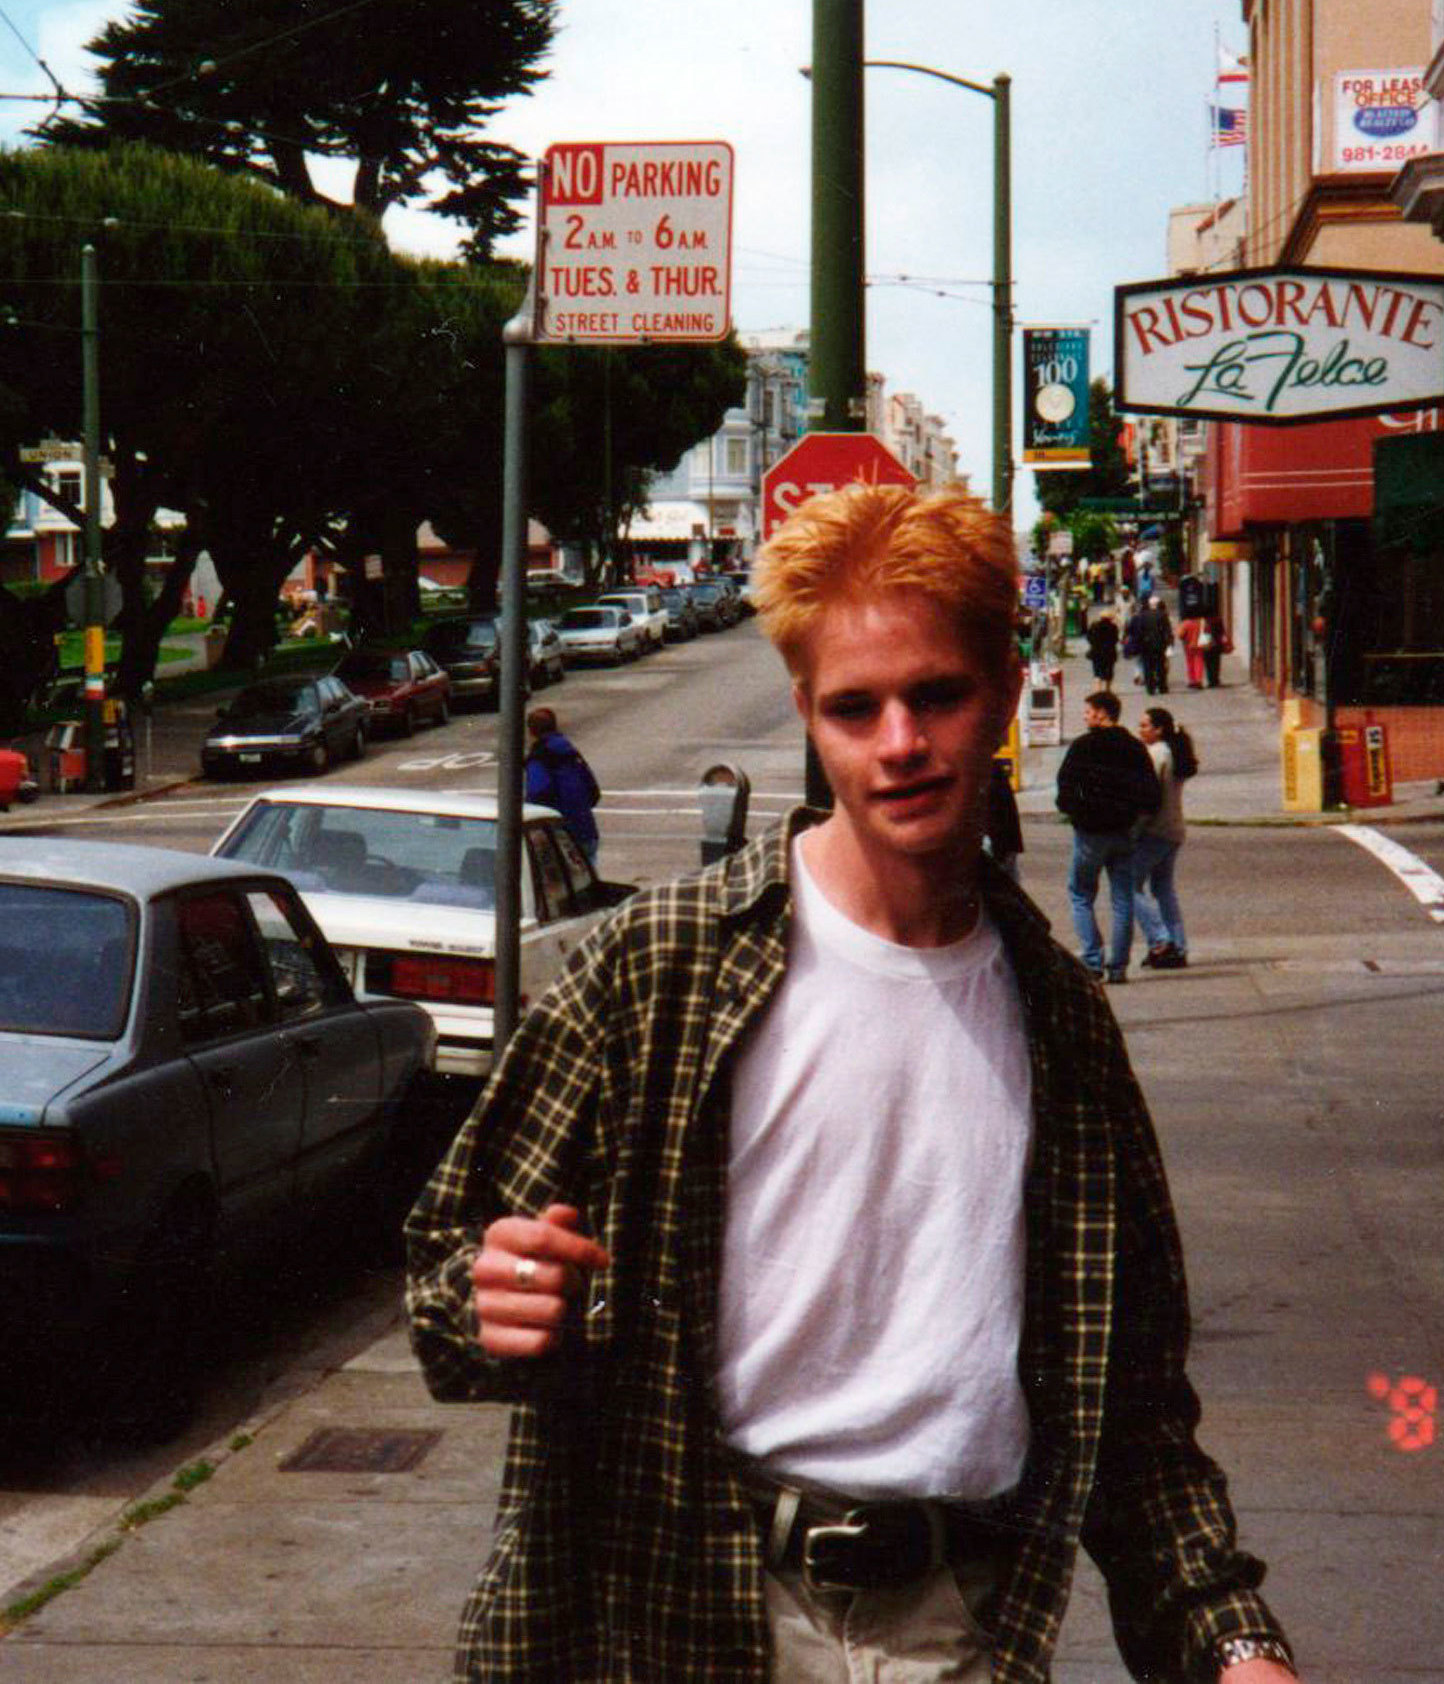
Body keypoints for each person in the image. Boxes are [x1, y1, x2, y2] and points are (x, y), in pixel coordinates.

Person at [405, 486, 1296, 1684]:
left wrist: (1233, 1644)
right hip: (675, 1613)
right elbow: (446, 1257)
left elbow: (1134, 1413)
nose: (898, 744)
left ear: (1001, 681)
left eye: (935, 694)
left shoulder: (1063, 1024)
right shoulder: (660, 969)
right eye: (854, 706)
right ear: (804, 715)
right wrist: (489, 1295)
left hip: (954, 1627)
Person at [1055, 690, 1163, 983]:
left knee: (1080, 893)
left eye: (1088, 711)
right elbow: (1152, 795)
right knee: (1123, 899)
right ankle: (1118, 966)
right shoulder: (1134, 748)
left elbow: (1065, 790)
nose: (1084, 715)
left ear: (1102, 713)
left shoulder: (1082, 747)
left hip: (1090, 833)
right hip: (1124, 831)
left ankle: (1092, 960)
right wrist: (1133, 820)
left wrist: (1076, 813)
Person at [1135, 707, 1200, 970]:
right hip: (1174, 829)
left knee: (1128, 885)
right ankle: (1178, 944)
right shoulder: (1175, 752)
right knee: (1163, 889)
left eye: (1144, 726)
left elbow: (1149, 796)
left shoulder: (1156, 754)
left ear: (1158, 729)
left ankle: (1161, 939)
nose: (1140, 731)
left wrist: (1136, 827)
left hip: (1155, 830)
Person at [520, 704, 601, 866]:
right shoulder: (570, 752)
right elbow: (594, 792)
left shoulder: (540, 757)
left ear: (531, 732)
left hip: (560, 837)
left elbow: (537, 793)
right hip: (586, 829)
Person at [1125, 596, 1173, 695]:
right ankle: (1162, 686)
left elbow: (1139, 631)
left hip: (1146, 644)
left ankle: (1150, 688)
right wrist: (1169, 643)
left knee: (1148, 666)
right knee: (1160, 666)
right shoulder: (1162, 615)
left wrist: (1138, 643)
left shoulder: (1142, 615)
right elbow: (1167, 630)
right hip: (1160, 644)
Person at [1083, 606, 1122, 690]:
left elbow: (1089, 637)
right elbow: (1115, 639)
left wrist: (1094, 644)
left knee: (1097, 671)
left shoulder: (1094, 626)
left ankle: (1098, 689)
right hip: (1109, 652)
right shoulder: (1113, 627)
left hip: (1096, 652)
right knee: (1109, 671)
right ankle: (1107, 689)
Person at [1177, 611, 1211, 691]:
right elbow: (1207, 632)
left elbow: (1180, 635)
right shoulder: (1202, 622)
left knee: (1190, 663)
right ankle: (1198, 680)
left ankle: (1192, 680)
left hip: (1188, 646)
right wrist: (1207, 643)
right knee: (1199, 662)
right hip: (1200, 645)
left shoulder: (1186, 623)